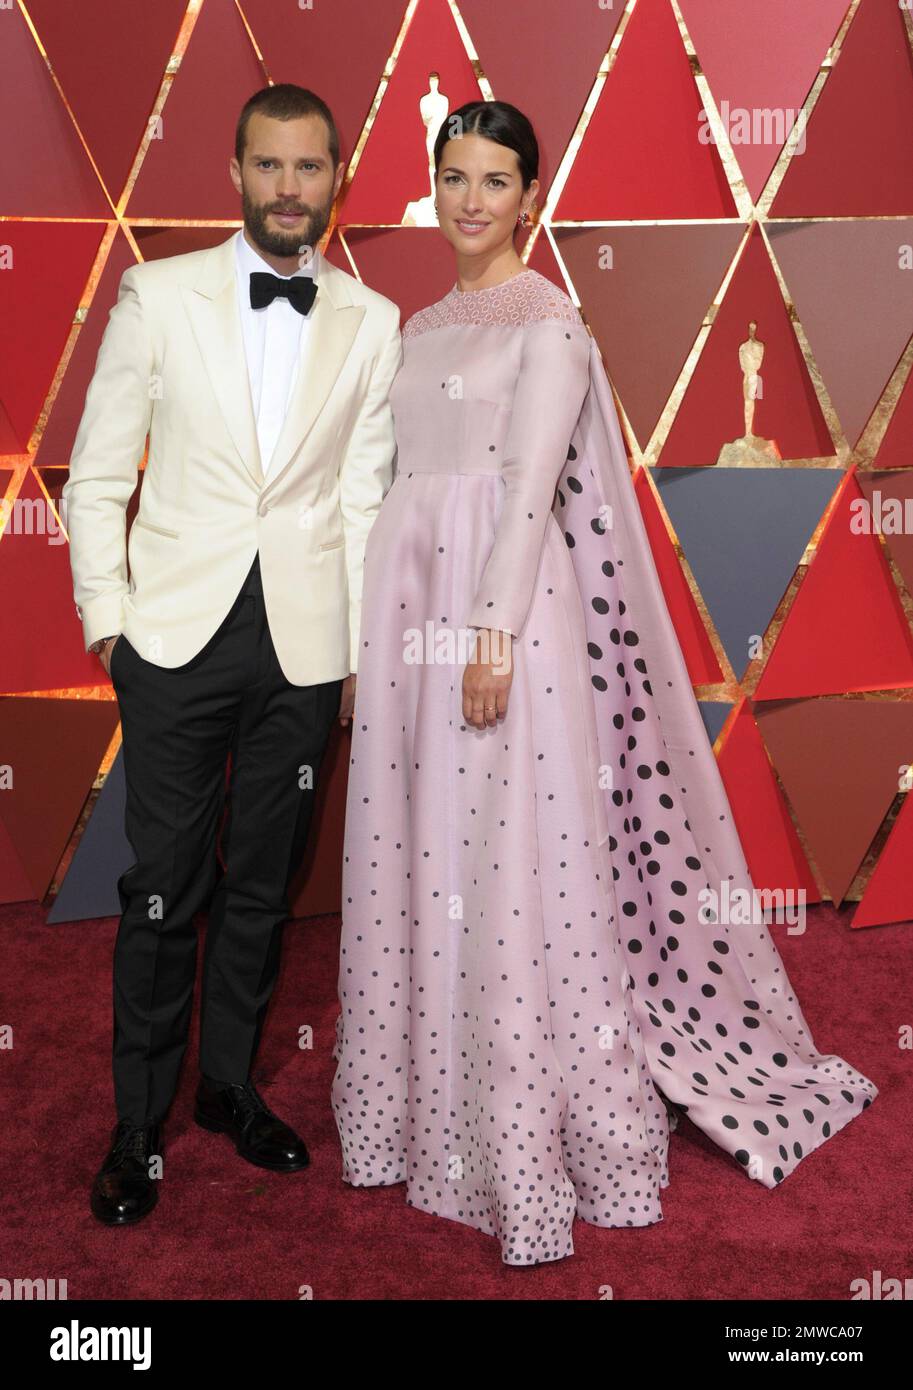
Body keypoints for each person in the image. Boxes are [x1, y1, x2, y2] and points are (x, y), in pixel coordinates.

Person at [331, 100, 878, 1266]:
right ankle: (429, 1114)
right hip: (404, 613)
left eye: (495, 180)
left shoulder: (549, 330)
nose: (472, 200)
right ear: (433, 184)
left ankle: (528, 1136)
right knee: (421, 850)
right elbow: (392, 480)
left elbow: (525, 496)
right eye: (454, 176)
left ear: (531, 195)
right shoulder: (418, 326)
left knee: (506, 858)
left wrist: (488, 632)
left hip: (503, 622)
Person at [63, 83, 402, 1226]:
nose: (289, 188)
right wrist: (108, 620)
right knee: (163, 884)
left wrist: (351, 652)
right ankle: (135, 1124)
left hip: (302, 647)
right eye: (269, 166)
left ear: (336, 177)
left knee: (263, 881)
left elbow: (363, 498)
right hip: (171, 638)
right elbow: (100, 468)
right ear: (236, 171)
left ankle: (226, 1088)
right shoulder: (156, 294)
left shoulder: (373, 318)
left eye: (309, 168)